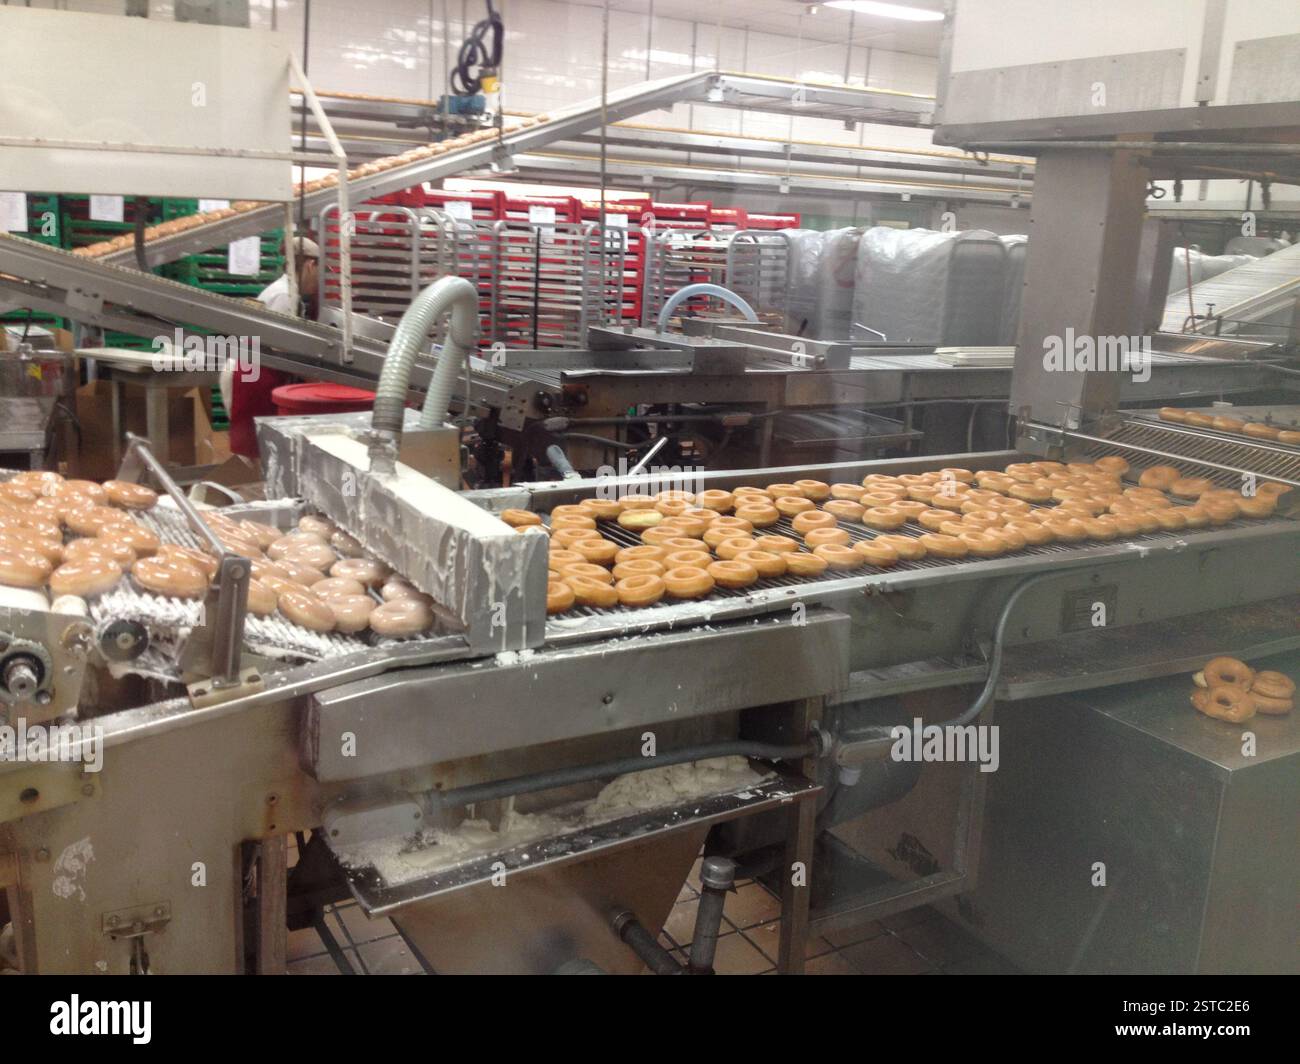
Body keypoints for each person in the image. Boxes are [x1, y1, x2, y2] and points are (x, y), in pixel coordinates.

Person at [222, 235, 321, 459]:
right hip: (254, 375)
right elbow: (281, 349)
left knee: (258, 445)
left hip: (254, 370)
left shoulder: (282, 290)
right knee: (259, 446)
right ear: (310, 264)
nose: (318, 281)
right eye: (319, 271)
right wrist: (313, 377)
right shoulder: (284, 296)